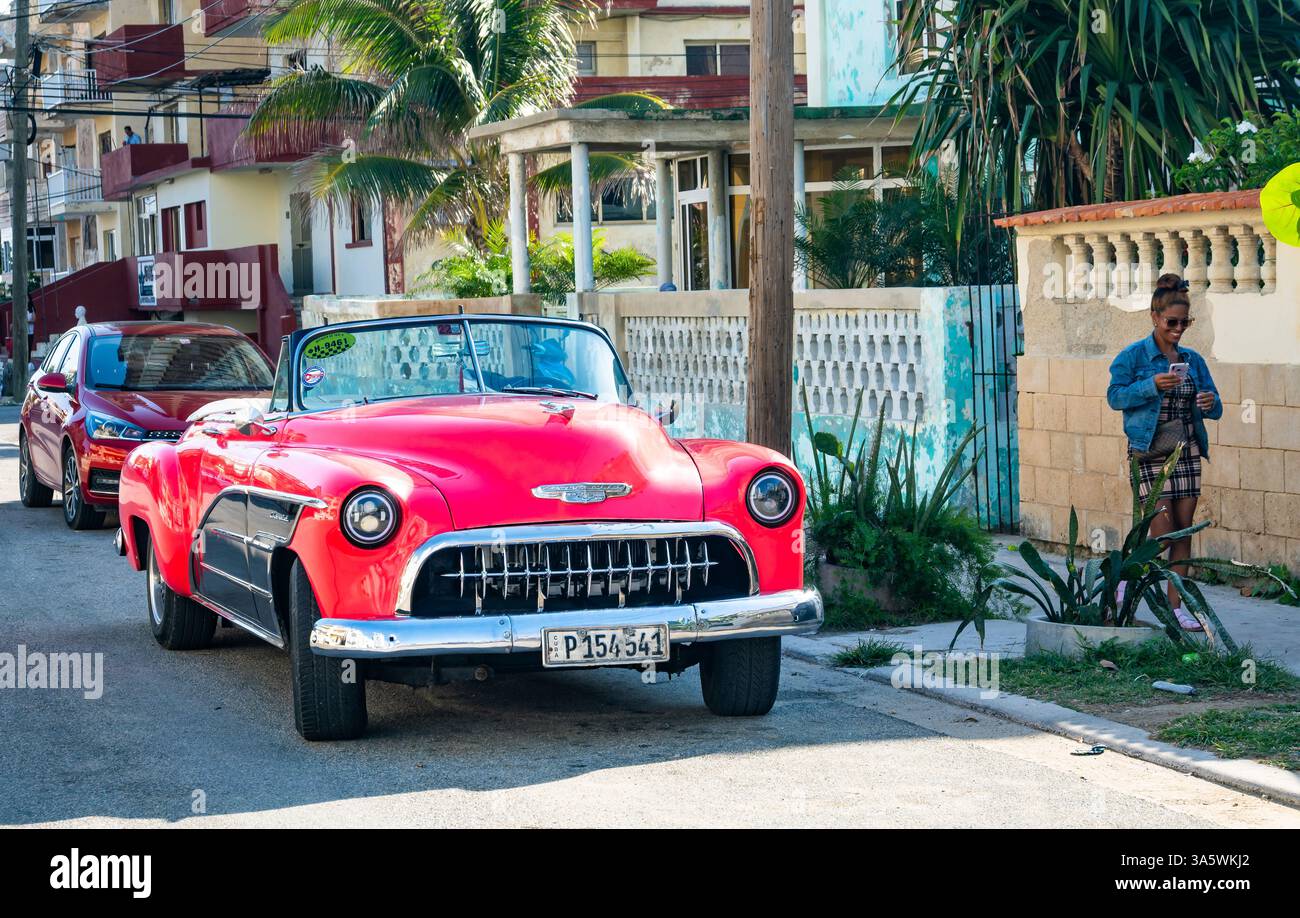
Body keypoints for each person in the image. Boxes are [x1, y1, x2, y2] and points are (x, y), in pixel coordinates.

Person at [1107, 273, 1222, 631]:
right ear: (1155, 317)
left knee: (1183, 532)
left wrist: (1208, 401)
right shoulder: (1134, 357)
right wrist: (1151, 385)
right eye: (1171, 322)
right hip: (1150, 452)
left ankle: (1178, 608)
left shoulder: (1193, 360)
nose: (1178, 329)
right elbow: (1116, 397)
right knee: (1159, 534)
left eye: (1184, 322)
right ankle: (1122, 585)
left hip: (1185, 452)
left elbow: (1216, 406)